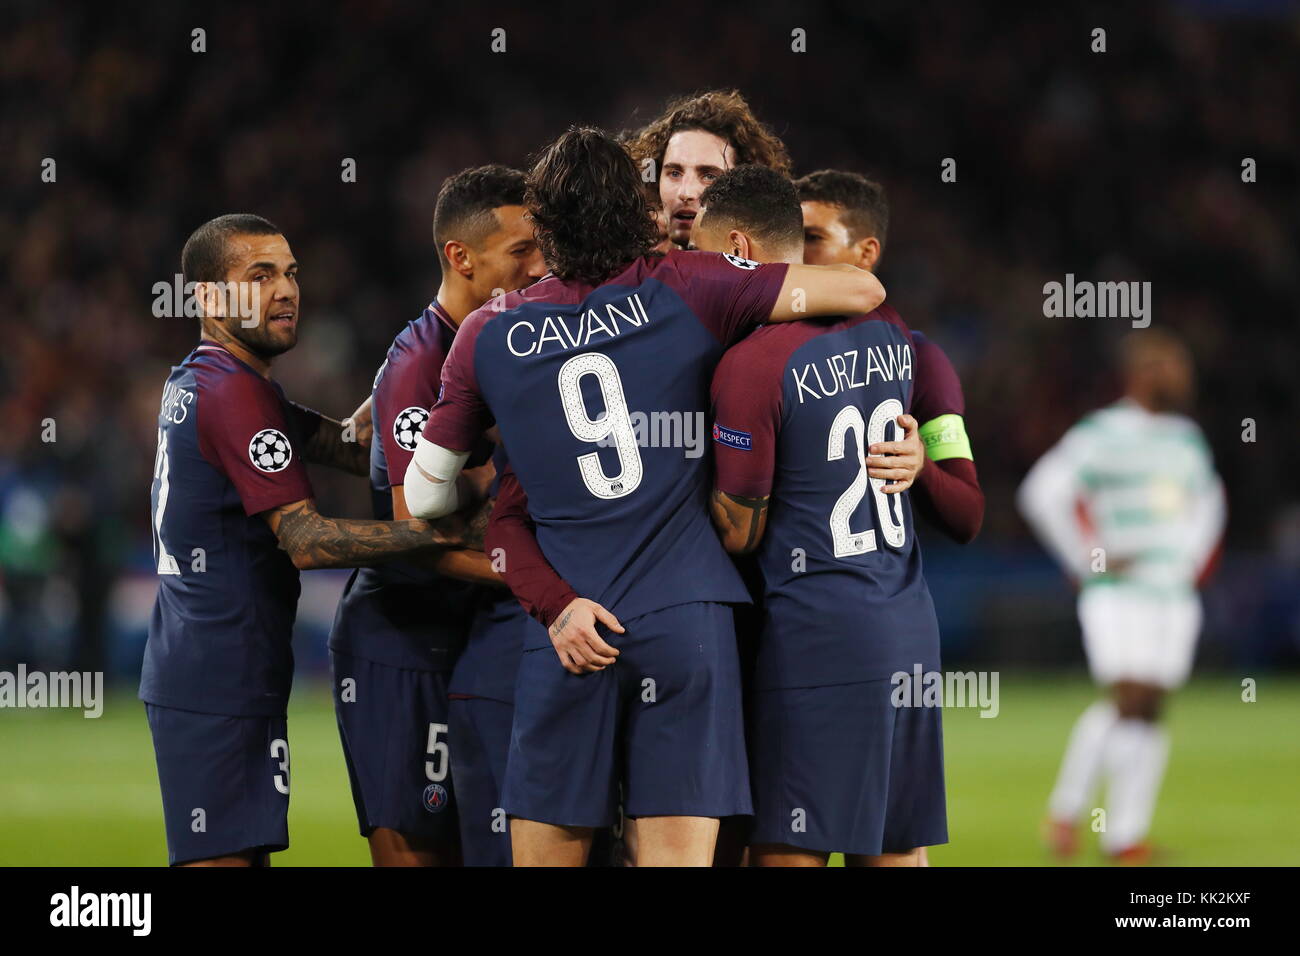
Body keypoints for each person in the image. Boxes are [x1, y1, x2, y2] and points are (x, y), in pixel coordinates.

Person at [406, 126, 886, 866]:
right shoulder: (691, 286)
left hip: (567, 629)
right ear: (637, 209)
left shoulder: (486, 333)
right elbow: (861, 288)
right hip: (686, 622)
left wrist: (517, 452)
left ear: (546, 225)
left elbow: (426, 495)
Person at [143, 214, 468, 866]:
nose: (286, 290)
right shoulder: (233, 393)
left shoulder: (213, 379)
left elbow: (345, 447)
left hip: (217, 668)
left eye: (290, 273)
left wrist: (407, 371)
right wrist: (427, 535)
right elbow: (306, 541)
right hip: (216, 680)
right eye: (259, 276)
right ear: (208, 297)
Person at [696, 165, 947, 866]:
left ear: (741, 250)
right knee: (896, 849)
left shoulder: (751, 362)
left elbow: (739, 529)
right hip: (906, 622)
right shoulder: (890, 334)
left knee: (787, 851)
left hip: (820, 638)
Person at [327, 166, 546, 866]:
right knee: (418, 853)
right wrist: (527, 581)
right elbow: (410, 532)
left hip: (461, 633)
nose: (538, 265)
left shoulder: (503, 340)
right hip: (398, 643)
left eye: (542, 246)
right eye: (520, 251)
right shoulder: (422, 359)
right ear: (461, 257)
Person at [1017, 329, 1225, 863]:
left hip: (1171, 591)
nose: (1178, 376)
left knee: (1149, 707)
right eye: (1166, 366)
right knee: (1128, 696)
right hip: (1117, 590)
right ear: (1139, 374)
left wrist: (1191, 558)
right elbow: (1043, 493)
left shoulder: (1186, 438)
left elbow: (1209, 500)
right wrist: (1088, 559)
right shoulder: (1102, 433)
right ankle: (1070, 811)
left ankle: (1123, 835)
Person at [798, 169, 982, 543]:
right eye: (789, 237)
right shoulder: (754, 349)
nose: (795, 252)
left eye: (813, 238)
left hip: (883, 592)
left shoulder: (919, 357)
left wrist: (921, 468)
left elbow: (968, 515)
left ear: (866, 252)